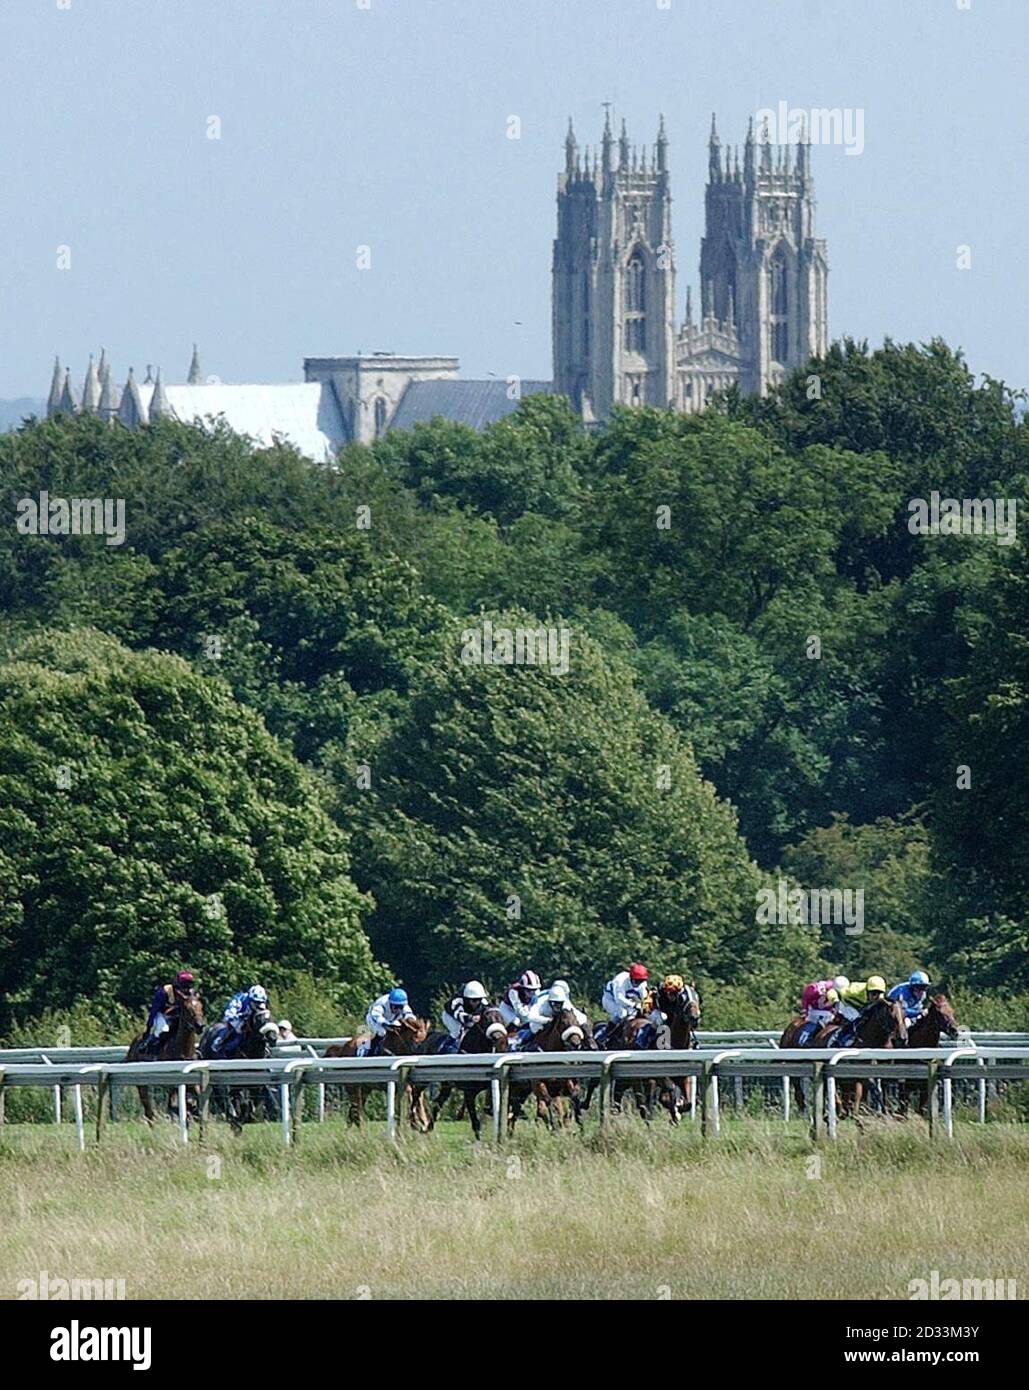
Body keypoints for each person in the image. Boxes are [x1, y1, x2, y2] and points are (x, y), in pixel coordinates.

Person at [143, 970, 196, 1053]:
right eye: (184, 986)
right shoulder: (163, 992)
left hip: (179, 1016)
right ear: (177, 985)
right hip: (162, 1014)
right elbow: (154, 1010)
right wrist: (148, 1028)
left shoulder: (191, 993)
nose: (186, 990)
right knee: (163, 1029)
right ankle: (150, 1045)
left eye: (189, 986)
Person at [441, 981, 490, 1053]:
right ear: (467, 998)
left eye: (479, 999)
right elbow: (458, 1015)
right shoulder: (458, 1001)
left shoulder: (483, 1002)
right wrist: (470, 1018)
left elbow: (489, 1010)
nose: (477, 1002)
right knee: (457, 1032)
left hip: (467, 1016)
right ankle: (446, 1049)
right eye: (474, 1000)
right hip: (451, 1016)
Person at [365, 987, 415, 1056]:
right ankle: (370, 1053)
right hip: (374, 1019)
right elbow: (376, 1016)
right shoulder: (382, 1003)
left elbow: (410, 1015)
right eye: (396, 1007)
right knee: (382, 1032)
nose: (398, 1010)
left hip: (391, 1020)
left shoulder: (404, 1005)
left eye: (400, 1007)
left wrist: (411, 1022)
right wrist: (388, 1024)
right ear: (390, 1003)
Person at [798, 977, 843, 1044]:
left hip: (824, 1012)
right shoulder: (817, 989)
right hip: (816, 1011)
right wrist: (805, 1010)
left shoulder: (819, 987)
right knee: (813, 1023)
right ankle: (804, 1039)